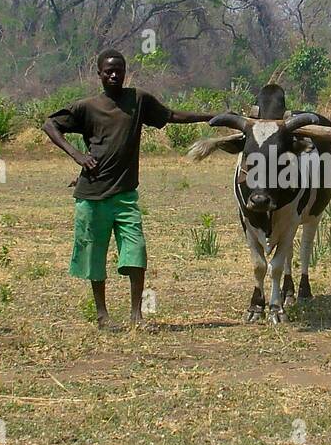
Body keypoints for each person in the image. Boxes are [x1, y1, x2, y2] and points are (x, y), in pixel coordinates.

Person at [41, 49, 214, 326]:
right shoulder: (87, 107)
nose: (113, 74)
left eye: (118, 70)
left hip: (125, 195)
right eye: (108, 70)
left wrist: (211, 116)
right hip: (92, 195)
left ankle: (137, 314)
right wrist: (76, 154)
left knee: (136, 251)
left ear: (125, 72)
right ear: (99, 74)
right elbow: (50, 125)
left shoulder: (138, 100)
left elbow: (170, 115)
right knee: (94, 256)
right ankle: (102, 315)